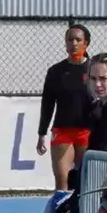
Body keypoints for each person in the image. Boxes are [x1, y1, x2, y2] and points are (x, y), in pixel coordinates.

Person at [36, 24, 92, 191]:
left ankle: (82, 208)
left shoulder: (93, 70)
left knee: (84, 179)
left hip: (87, 131)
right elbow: (48, 102)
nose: (74, 43)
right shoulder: (56, 71)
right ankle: (63, 207)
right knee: (62, 179)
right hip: (63, 131)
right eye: (70, 39)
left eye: (78, 40)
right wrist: (42, 133)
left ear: (86, 43)